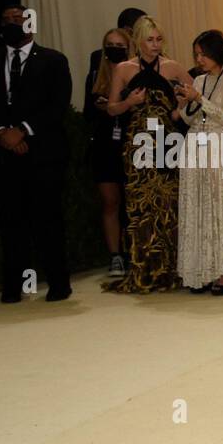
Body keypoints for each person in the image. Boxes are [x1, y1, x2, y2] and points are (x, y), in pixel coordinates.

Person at [0, 3, 73, 303]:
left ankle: (59, 283)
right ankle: (14, 286)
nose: (11, 23)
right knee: (11, 221)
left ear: (30, 24)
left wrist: (22, 129)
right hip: (3, 155)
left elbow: (58, 105)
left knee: (47, 219)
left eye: (17, 19)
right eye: (5, 19)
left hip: (44, 154)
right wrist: (1, 133)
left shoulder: (53, 60)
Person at [101, 14, 193, 293]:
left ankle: (175, 270)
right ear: (138, 41)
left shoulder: (173, 67)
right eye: (150, 39)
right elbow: (111, 108)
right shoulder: (124, 69)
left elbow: (197, 95)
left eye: (159, 39)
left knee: (170, 206)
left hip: (168, 142)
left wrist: (179, 107)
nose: (155, 44)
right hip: (138, 144)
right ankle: (146, 271)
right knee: (141, 208)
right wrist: (129, 101)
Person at [176, 30, 223, 295]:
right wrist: (186, 103)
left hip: (220, 148)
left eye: (203, 54)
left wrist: (200, 100)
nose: (199, 59)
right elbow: (188, 119)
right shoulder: (197, 80)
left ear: (216, 53)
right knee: (198, 207)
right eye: (196, 54)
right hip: (194, 148)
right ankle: (202, 271)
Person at [85, 28, 132, 278]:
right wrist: (101, 107)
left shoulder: (135, 73)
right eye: (110, 44)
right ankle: (115, 256)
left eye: (120, 44)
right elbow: (88, 112)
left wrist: (120, 106)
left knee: (132, 202)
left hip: (131, 143)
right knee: (110, 201)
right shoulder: (96, 75)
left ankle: (137, 252)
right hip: (104, 145)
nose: (115, 48)